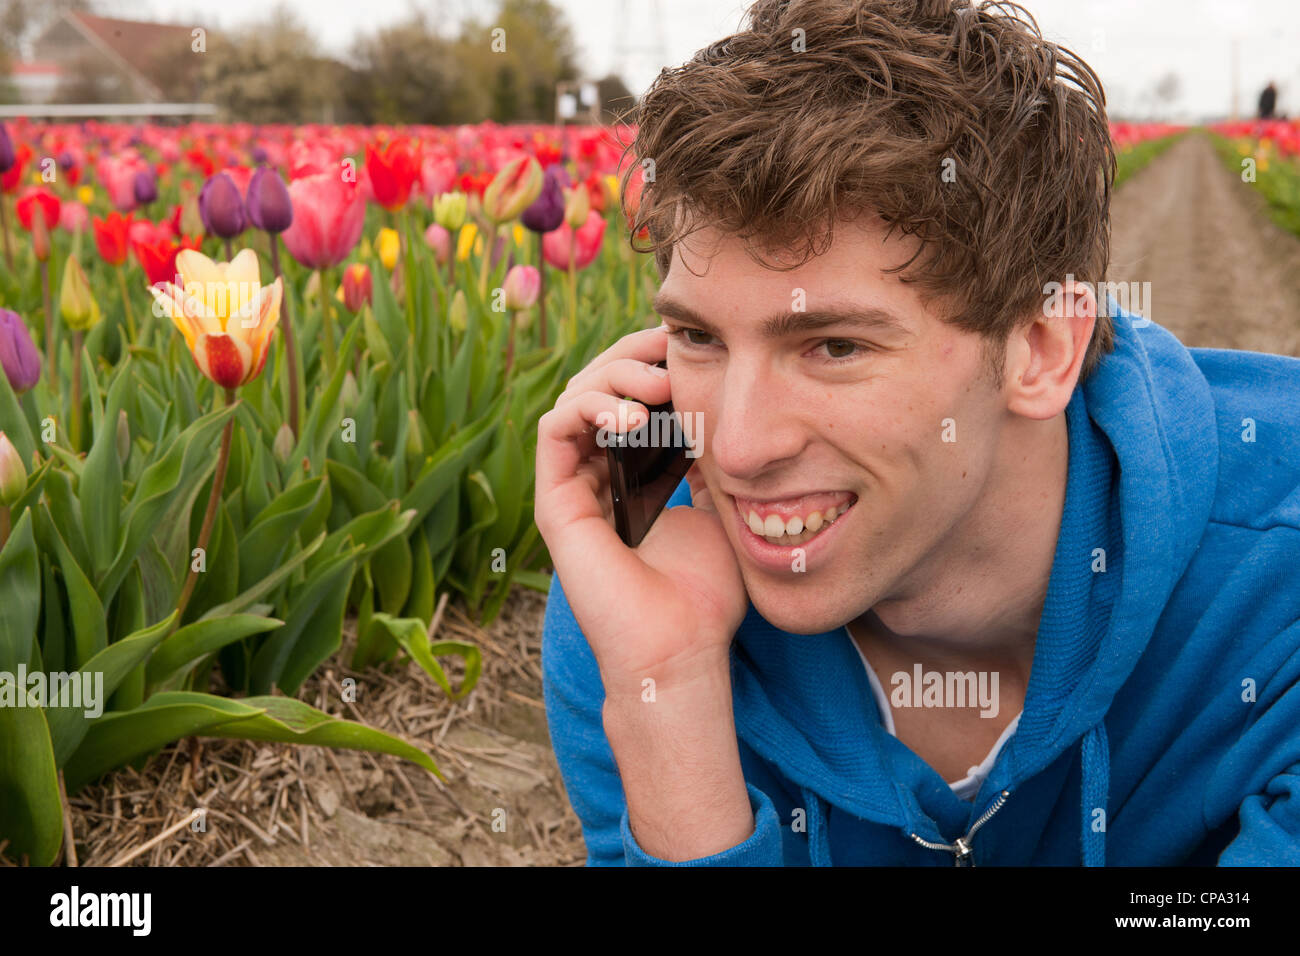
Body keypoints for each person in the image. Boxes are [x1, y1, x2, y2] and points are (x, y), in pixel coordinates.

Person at [535, 0, 1300, 866]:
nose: (737, 447)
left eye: (834, 346)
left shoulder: (1274, 591)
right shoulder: (644, 602)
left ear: (1043, 349)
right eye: (700, 338)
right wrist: (669, 689)